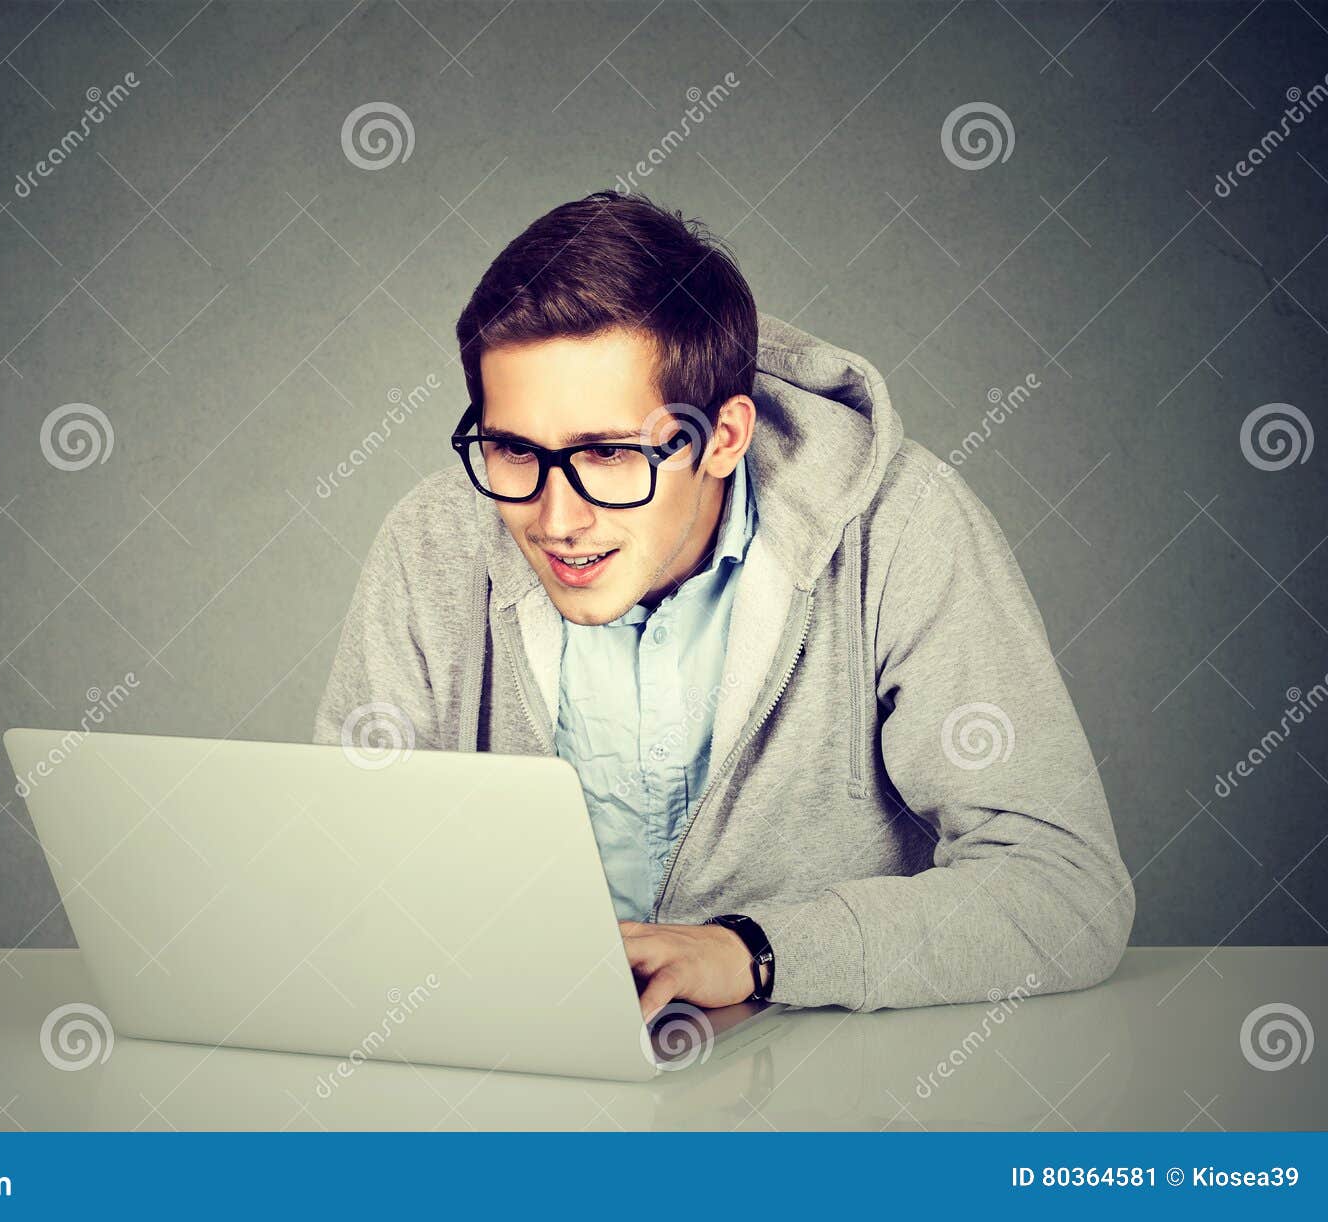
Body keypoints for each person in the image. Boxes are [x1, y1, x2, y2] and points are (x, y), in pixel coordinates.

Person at [314, 190, 1134, 1020]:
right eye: (513, 449)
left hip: (821, 1105)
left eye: (607, 454)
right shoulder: (433, 539)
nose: (556, 521)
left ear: (725, 437)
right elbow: (344, 869)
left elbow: (1065, 891)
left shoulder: (900, 526)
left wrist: (759, 952)